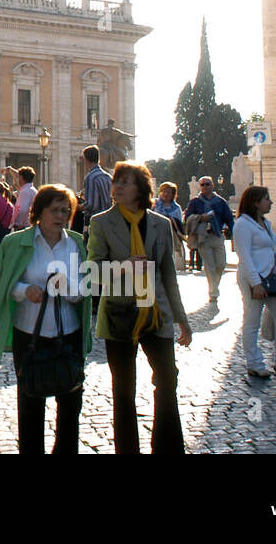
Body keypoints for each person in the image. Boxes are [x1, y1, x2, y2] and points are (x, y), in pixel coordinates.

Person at [0, 184, 92, 454]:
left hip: (68, 332)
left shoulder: (76, 244)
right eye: (54, 210)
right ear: (39, 212)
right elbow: (3, 283)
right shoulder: (15, 243)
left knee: (71, 404)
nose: (61, 216)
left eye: (66, 210)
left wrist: (68, 287)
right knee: (30, 403)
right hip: (29, 333)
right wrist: (25, 290)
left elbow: (84, 290)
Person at [87, 162, 192, 454]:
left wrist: (182, 320)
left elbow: (169, 275)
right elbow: (91, 272)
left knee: (167, 381)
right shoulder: (101, 222)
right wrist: (123, 267)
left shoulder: (161, 223)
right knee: (124, 391)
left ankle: (168, 448)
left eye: (126, 182)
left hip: (156, 313)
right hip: (120, 313)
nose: (118, 187)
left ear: (141, 189)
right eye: (116, 182)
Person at [235, 185, 276, 378]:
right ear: (255, 203)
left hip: (272, 278)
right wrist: (255, 283)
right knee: (252, 321)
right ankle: (254, 363)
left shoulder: (266, 223)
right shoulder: (242, 224)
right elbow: (244, 256)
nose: (270, 202)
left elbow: (270, 251)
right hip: (253, 279)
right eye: (267, 199)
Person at [184, 175, 233, 302]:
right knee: (210, 265)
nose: (205, 187)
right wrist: (200, 218)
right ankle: (213, 293)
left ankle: (215, 286)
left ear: (213, 186)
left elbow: (229, 219)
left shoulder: (221, 202)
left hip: (217, 235)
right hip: (203, 237)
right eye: (202, 185)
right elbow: (187, 218)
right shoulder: (195, 202)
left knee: (221, 264)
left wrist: (234, 235)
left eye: (207, 184)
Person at [153, 182, 185, 271]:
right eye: (164, 191)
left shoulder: (176, 208)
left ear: (173, 194)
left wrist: (170, 220)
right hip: (154, 235)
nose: (166, 194)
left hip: (169, 237)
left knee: (167, 259)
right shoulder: (154, 204)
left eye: (169, 192)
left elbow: (179, 225)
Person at [80, 146, 113, 223]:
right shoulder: (108, 176)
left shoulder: (90, 177)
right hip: (109, 219)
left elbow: (91, 205)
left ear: (86, 159)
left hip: (96, 221)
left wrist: (78, 207)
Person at [7, 166, 38, 231]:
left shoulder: (25, 192)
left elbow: (22, 210)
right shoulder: (32, 190)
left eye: (18, 177)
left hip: (23, 226)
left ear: (21, 178)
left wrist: (17, 223)